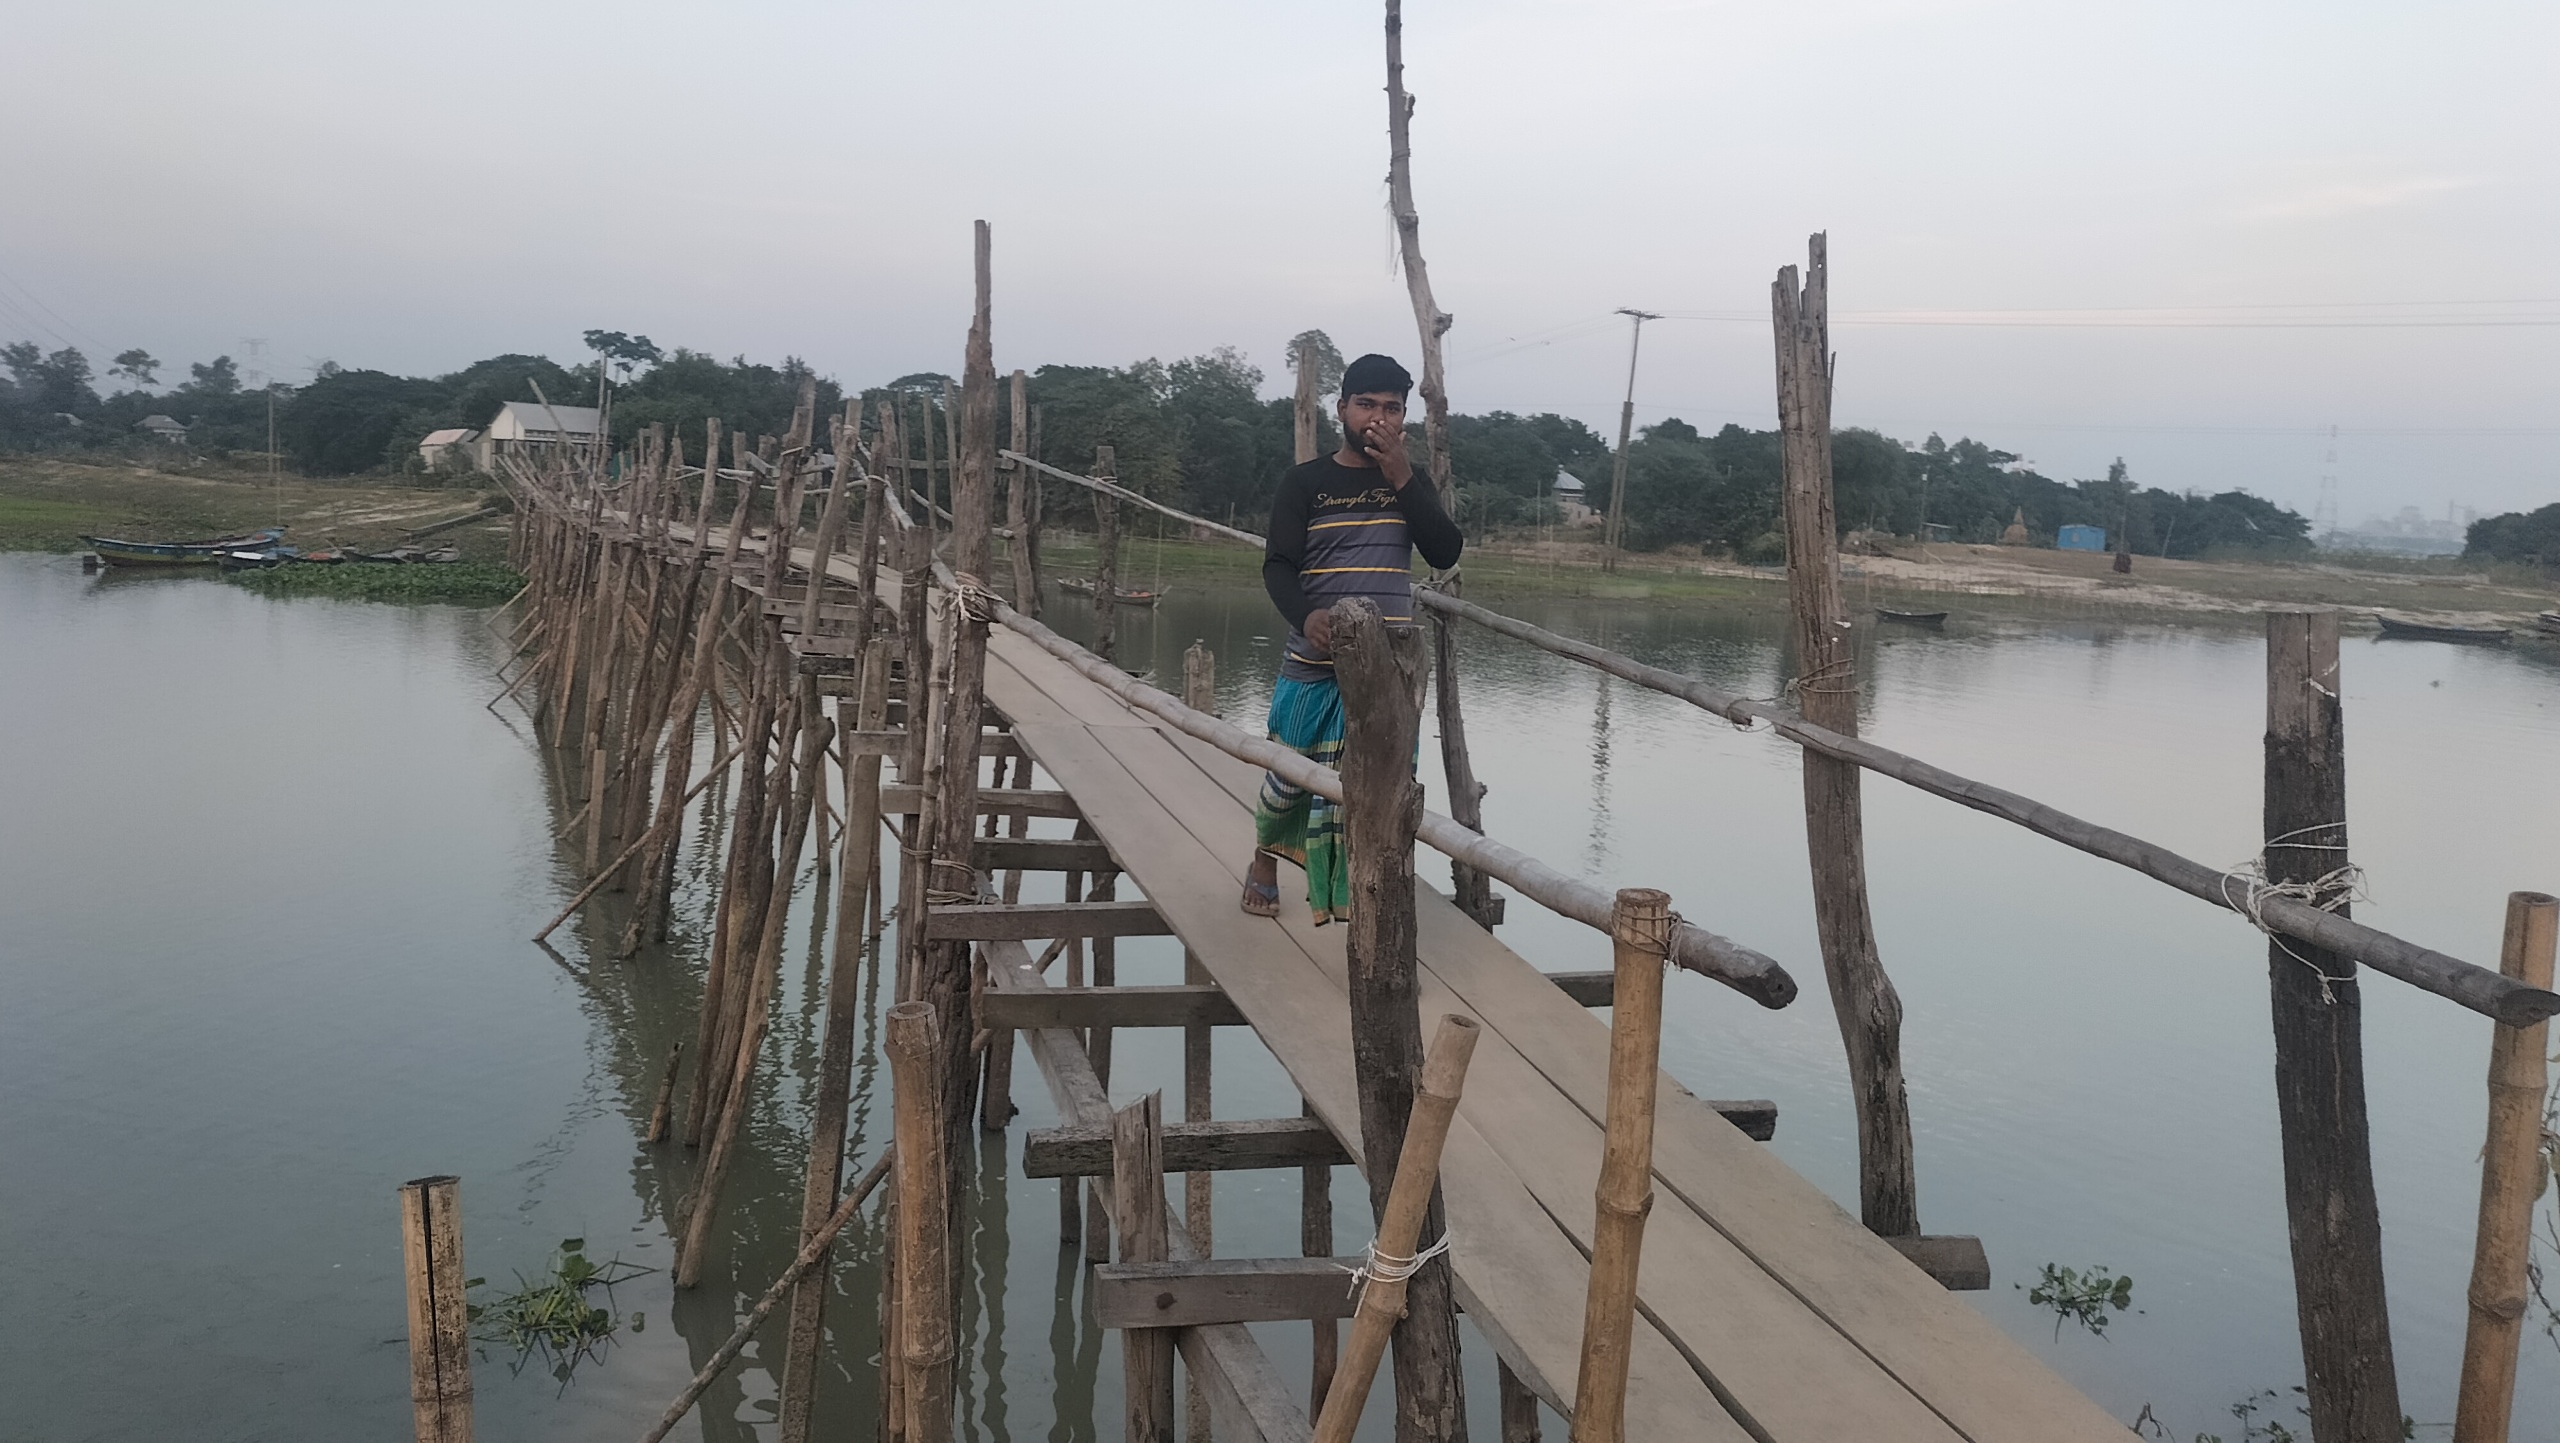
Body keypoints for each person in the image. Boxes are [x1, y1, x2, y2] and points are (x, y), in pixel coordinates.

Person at [1241, 352, 1463, 920]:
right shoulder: (1306, 482)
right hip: (1313, 663)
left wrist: (1401, 477)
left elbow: (1445, 552)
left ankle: (1366, 909)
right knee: (1288, 780)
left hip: (1387, 673)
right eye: (1366, 405)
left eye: (1391, 409)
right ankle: (1265, 856)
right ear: (1342, 409)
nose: (1377, 419)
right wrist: (1305, 617)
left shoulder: (1410, 484)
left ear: (1404, 418)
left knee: (1381, 795)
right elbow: (1278, 566)